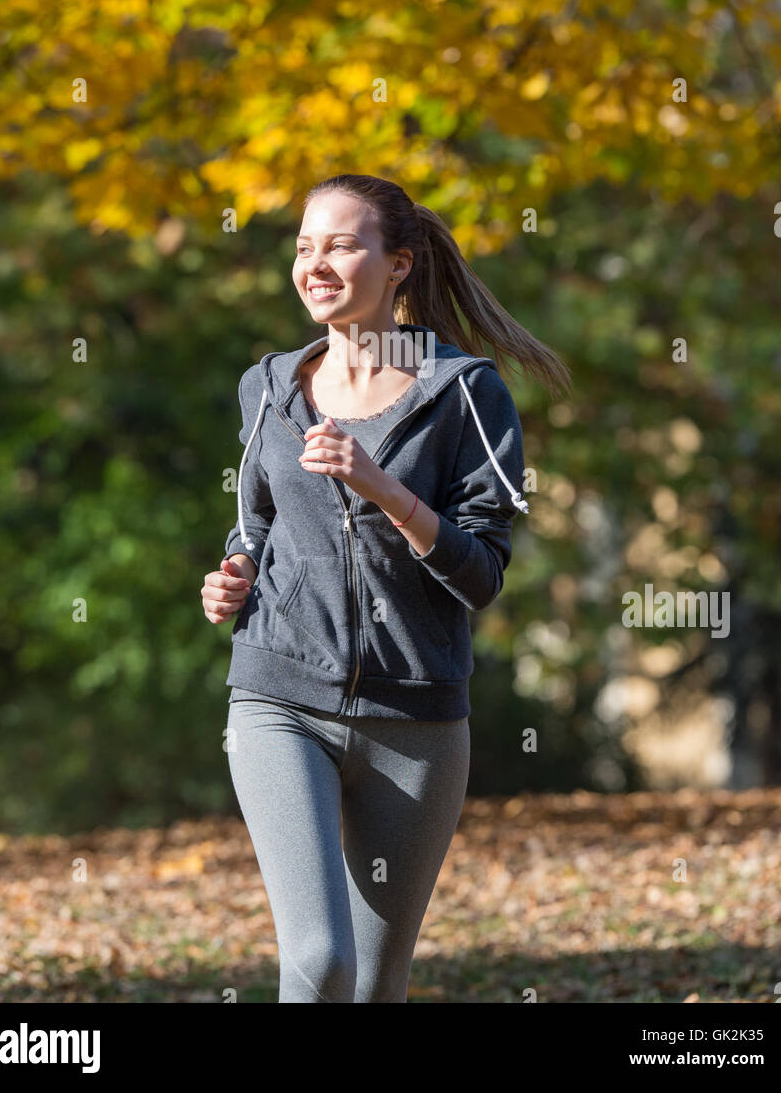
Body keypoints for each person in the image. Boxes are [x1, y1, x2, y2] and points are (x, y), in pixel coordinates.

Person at [200, 174, 571, 1003]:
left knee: (372, 986)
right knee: (320, 960)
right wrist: (233, 577)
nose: (315, 264)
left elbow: (482, 575)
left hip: (417, 717)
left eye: (340, 245)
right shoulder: (268, 387)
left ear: (397, 264)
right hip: (278, 697)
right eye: (304, 247)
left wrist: (385, 492)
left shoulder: (464, 393)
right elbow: (253, 525)